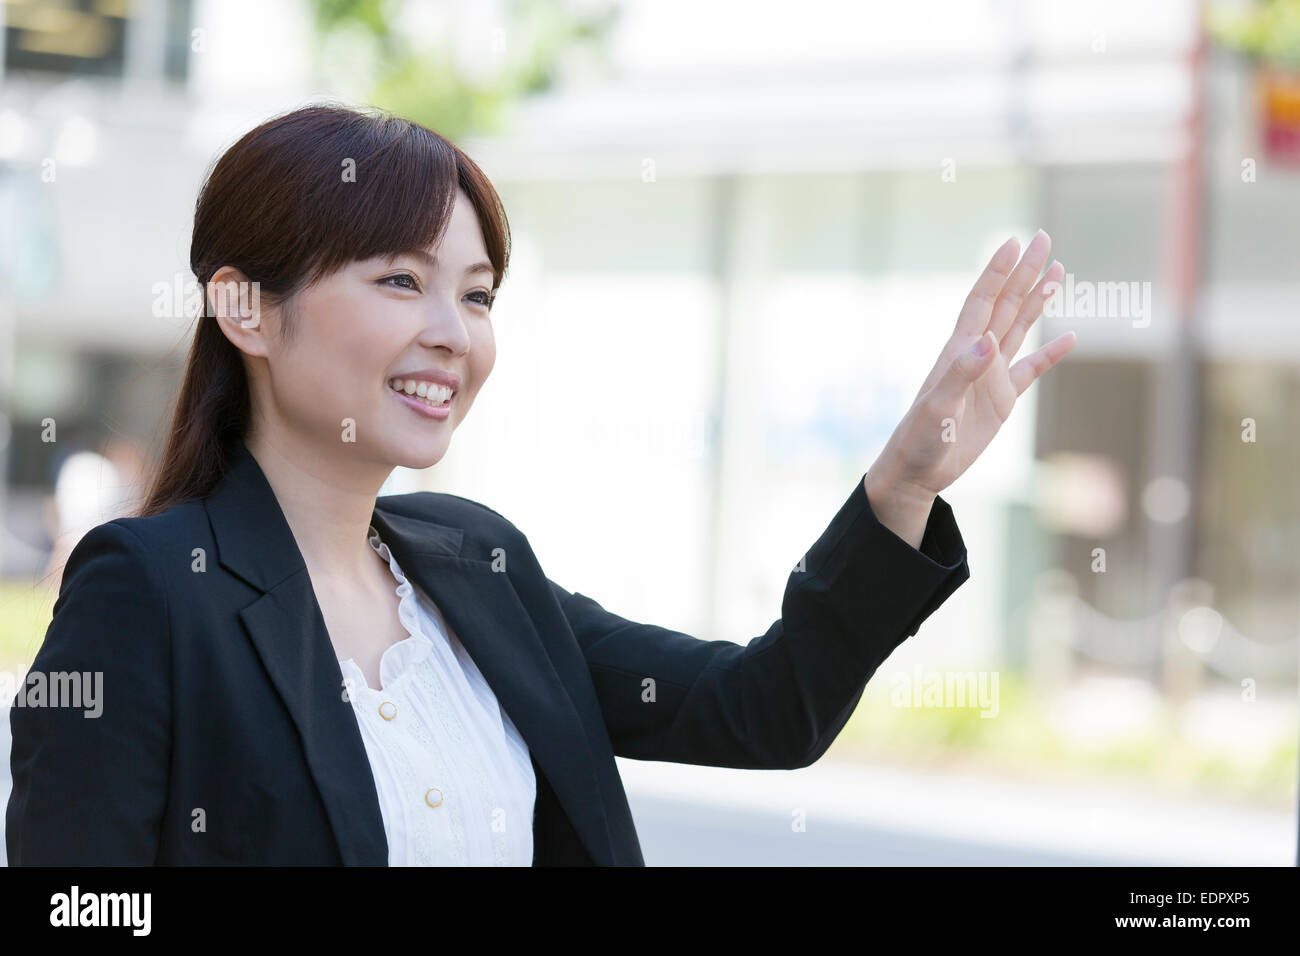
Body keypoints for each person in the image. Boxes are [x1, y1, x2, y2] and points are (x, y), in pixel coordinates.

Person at [6, 103, 1075, 866]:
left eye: (476, 296)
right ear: (245, 310)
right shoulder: (149, 587)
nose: (450, 333)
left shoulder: (478, 565)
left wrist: (901, 483)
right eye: (398, 280)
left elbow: (764, 709)